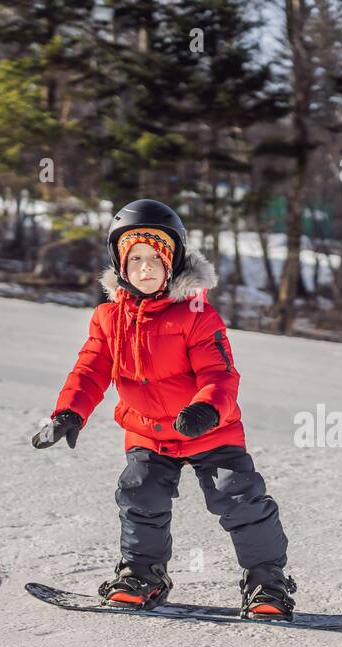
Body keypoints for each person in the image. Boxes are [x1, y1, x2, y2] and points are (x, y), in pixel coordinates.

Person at [32, 199, 296, 620]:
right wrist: (69, 412)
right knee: (140, 493)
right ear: (120, 264)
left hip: (208, 430)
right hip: (148, 433)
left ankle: (267, 581)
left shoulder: (197, 316)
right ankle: (143, 574)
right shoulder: (107, 319)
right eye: (135, 258)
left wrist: (206, 409)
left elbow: (221, 374)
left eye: (157, 257)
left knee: (238, 496)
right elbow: (90, 369)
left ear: (174, 262)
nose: (146, 267)